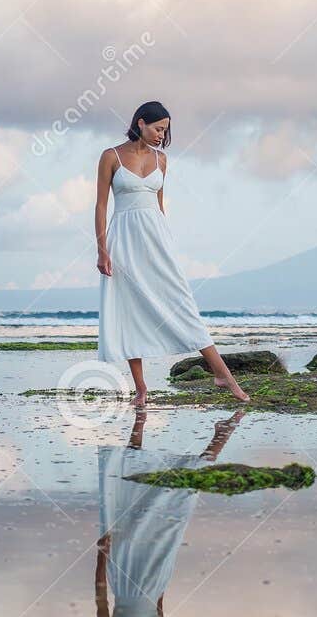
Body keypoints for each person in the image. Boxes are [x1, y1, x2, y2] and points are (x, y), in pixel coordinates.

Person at [95, 100, 249, 407]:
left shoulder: (161, 160)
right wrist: (102, 250)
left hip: (156, 239)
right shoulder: (111, 156)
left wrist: (166, 244)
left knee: (182, 303)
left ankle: (223, 375)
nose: (161, 135)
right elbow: (100, 205)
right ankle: (141, 389)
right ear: (140, 123)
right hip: (122, 240)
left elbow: (159, 206)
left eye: (165, 131)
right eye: (157, 128)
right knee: (128, 308)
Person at [95, 409, 245, 617]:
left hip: (123, 573)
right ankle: (222, 433)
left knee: (129, 503)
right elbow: (160, 604)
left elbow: (100, 601)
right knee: (179, 504)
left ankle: (139, 424)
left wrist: (102, 556)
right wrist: (165, 563)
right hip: (156, 573)